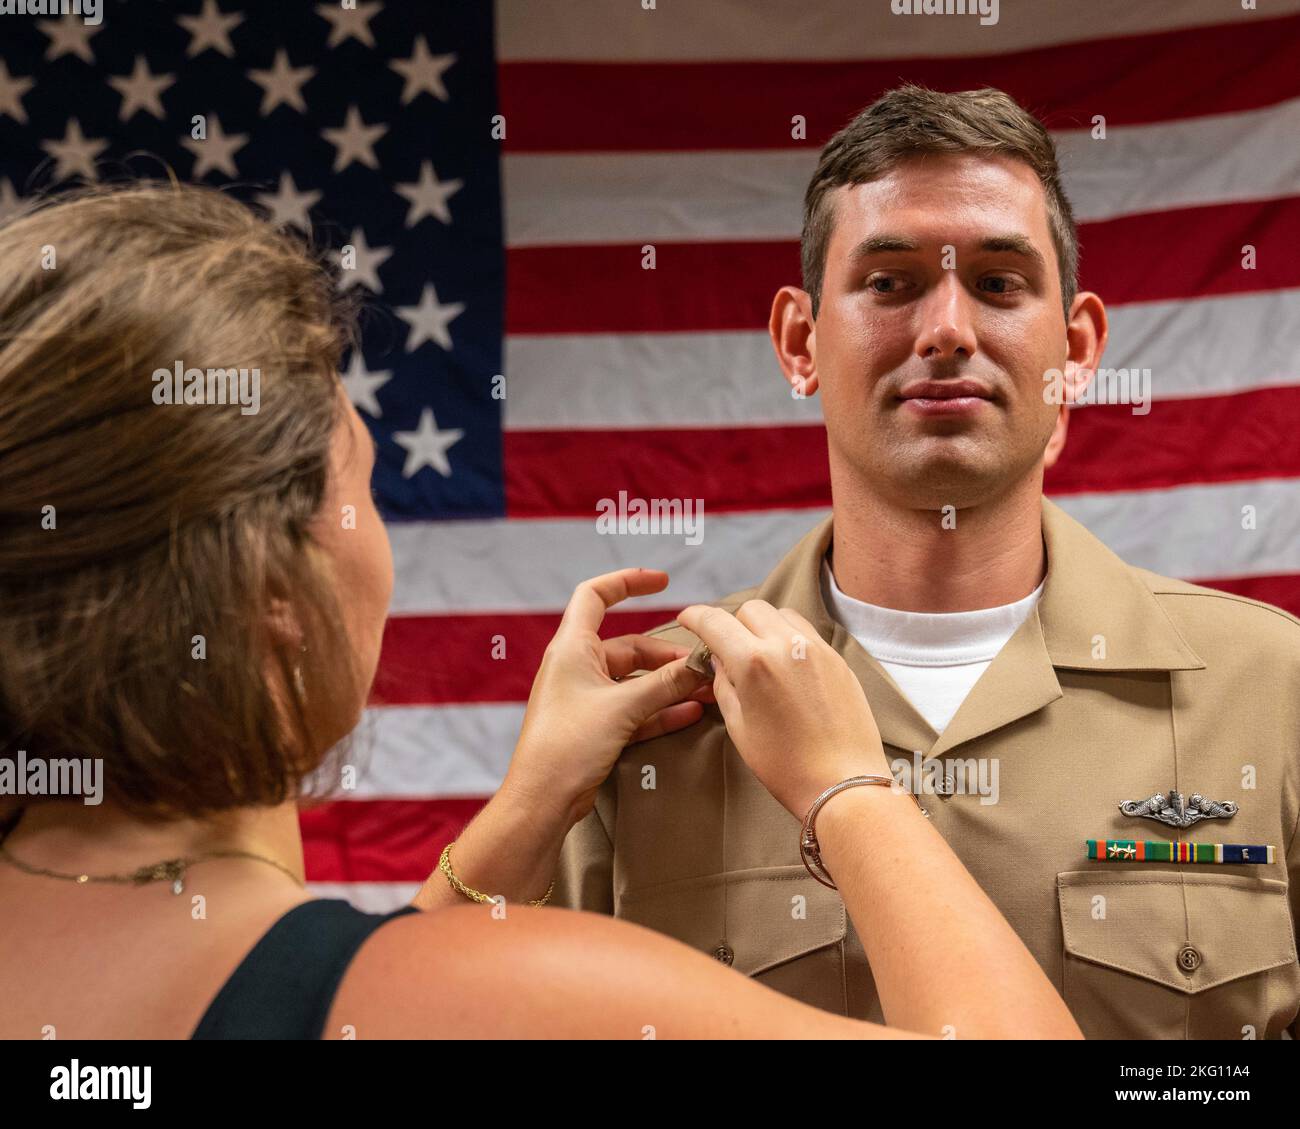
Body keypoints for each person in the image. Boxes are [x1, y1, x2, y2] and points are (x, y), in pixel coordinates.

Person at [0, 181, 1081, 1040]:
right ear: (273, 589)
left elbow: (320, 998)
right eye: (367, 486)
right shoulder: (538, 994)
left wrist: (528, 806)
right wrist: (850, 790)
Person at [554, 84, 1300, 1040]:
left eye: (997, 283)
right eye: (890, 282)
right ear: (799, 342)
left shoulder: (1268, 690)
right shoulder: (652, 715)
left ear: (1074, 352)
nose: (947, 328)